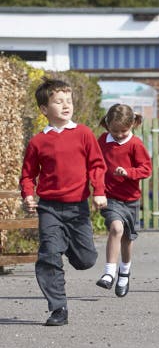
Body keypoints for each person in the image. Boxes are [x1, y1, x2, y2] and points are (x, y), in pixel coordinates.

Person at [19, 78, 107, 326]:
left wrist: (98, 190)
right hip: (49, 208)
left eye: (68, 100)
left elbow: (97, 165)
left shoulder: (84, 133)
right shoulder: (38, 141)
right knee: (48, 255)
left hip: (77, 207)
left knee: (86, 260)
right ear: (45, 109)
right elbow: (28, 174)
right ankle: (58, 308)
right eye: (58, 101)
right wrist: (28, 194)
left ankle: (66, 243)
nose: (66, 105)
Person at [94, 104, 153, 297]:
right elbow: (95, 165)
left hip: (130, 199)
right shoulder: (102, 141)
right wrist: (98, 191)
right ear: (108, 125)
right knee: (116, 228)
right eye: (115, 130)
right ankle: (109, 272)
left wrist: (129, 172)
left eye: (123, 130)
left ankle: (124, 272)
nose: (119, 134)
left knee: (127, 238)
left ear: (132, 125)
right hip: (110, 198)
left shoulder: (136, 144)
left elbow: (146, 169)